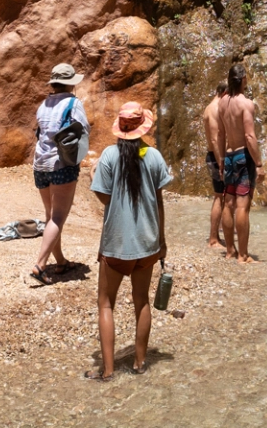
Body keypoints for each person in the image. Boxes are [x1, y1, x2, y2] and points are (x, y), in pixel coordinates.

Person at [88, 101, 172, 380]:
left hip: (116, 243)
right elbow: (159, 202)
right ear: (141, 129)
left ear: (120, 130)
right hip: (148, 242)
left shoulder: (110, 156)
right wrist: (162, 240)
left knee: (106, 304)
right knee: (142, 302)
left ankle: (108, 370)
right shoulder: (154, 156)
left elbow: (102, 195)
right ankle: (139, 363)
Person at [29, 62, 90, 286]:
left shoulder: (44, 104)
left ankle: (61, 260)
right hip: (61, 165)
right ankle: (39, 265)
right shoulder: (73, 103)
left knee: (50, 215)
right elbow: (83, 130)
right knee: (58, 217)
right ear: (71, 84)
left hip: (40, 165)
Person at [219, 63, 263, 263]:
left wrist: (221, 159)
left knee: (228, 204)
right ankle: (243, 255)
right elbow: (250, 136)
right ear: (243, 79)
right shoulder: (246, 104)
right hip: (243, 158)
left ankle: (230, 250)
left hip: (228, 156)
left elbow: (221, 134)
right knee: (242, 207)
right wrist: (259, 164)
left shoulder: (223, 103)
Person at [202, 80, 229, 255]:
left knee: (223, 196)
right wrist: (221, 163)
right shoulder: (213, 109)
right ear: (223, 93)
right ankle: (213, 239)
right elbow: (214, 140)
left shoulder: (215, 107)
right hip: (216, 158)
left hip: (219, 157)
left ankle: (220, 231)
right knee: (219, 197)